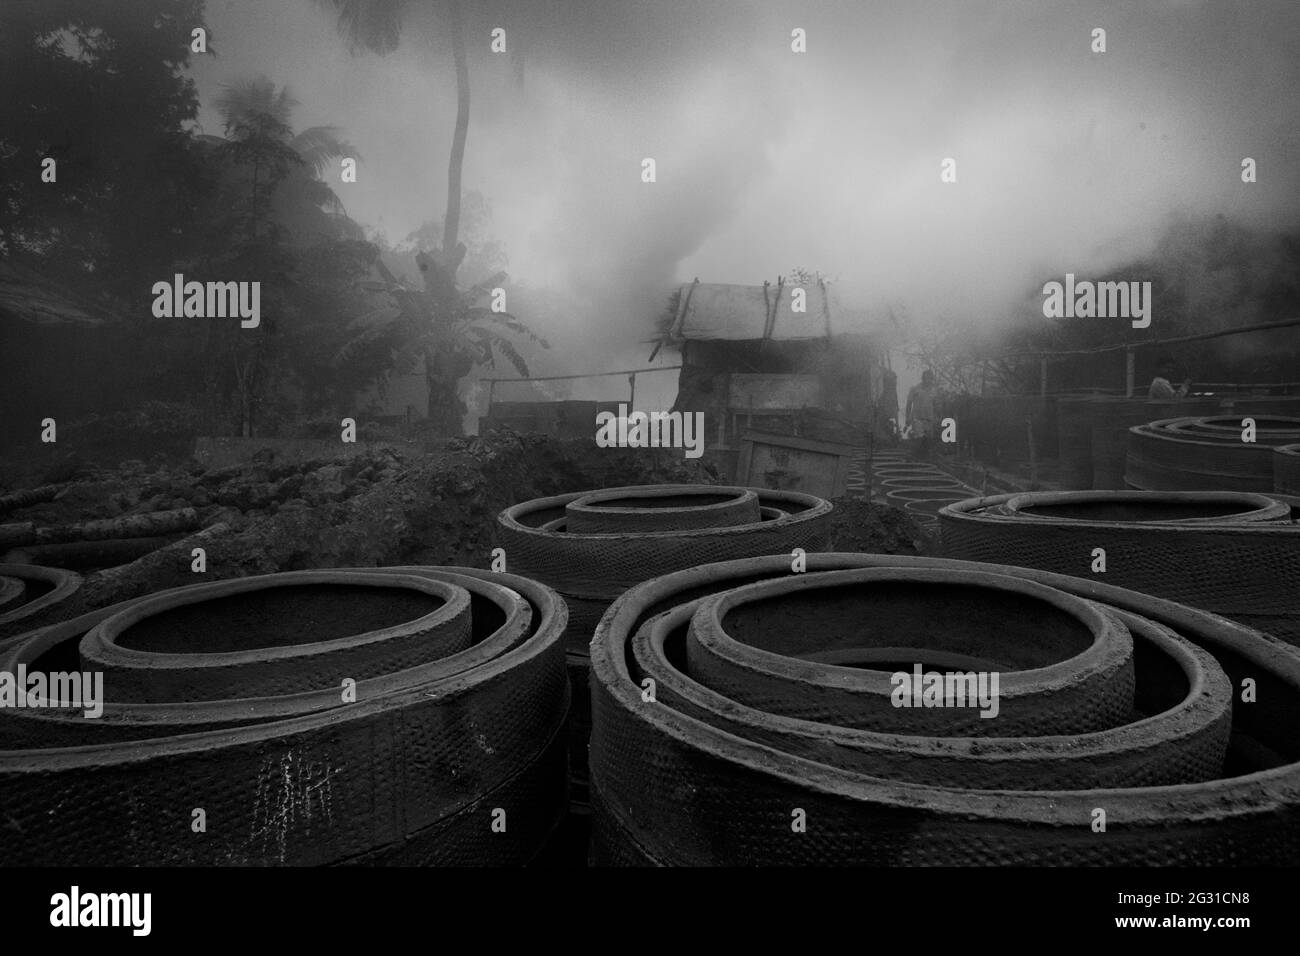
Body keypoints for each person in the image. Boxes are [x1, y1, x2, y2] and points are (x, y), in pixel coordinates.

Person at [905, 369, 939, 459]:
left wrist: (937, 417)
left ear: (932, 379)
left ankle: (925, 462)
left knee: (928, 441)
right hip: (917, 418)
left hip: (929, 419)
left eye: (930, 378)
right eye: (926, 377)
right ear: (923, 378)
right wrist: (907, 418)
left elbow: (936, 405)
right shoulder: (915, 389)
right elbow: (909, 404)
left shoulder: (934, 390)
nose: (928, 380)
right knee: (918, 440)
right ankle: (915, 460)